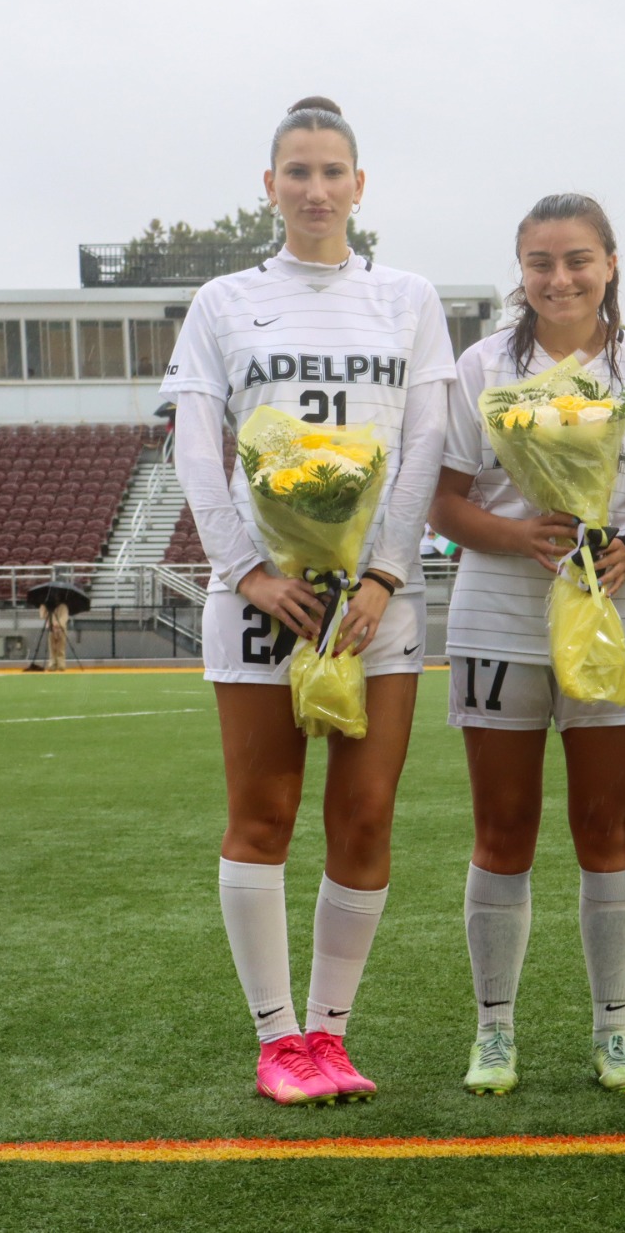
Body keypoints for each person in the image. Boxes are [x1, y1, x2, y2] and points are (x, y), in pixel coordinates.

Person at [162, 97, 454, 1107]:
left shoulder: (408, 298)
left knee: (364, 817)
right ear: (271, 184)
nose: (316, 189)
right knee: (265, 811)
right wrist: (249, 570)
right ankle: (275, 1038)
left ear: (359, 185)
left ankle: (331, 1035)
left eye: (333, 171)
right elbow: (198, 447)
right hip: (263, 599)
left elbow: (421, 447)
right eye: (298, 171)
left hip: (377, 604)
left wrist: (380, 575)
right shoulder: (222, 301)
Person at [430, 194, 625, 1097]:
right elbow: (446, 498)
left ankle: (614, 1031)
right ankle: (493, 1028)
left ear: (610, 262)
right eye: (540, 262)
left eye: (577, 259)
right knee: (503, 830)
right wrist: (517, 537)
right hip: (498, 614)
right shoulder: (480, 365)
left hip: (616, 616)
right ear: (521, 272)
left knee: (607, 828)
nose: (560, 278)